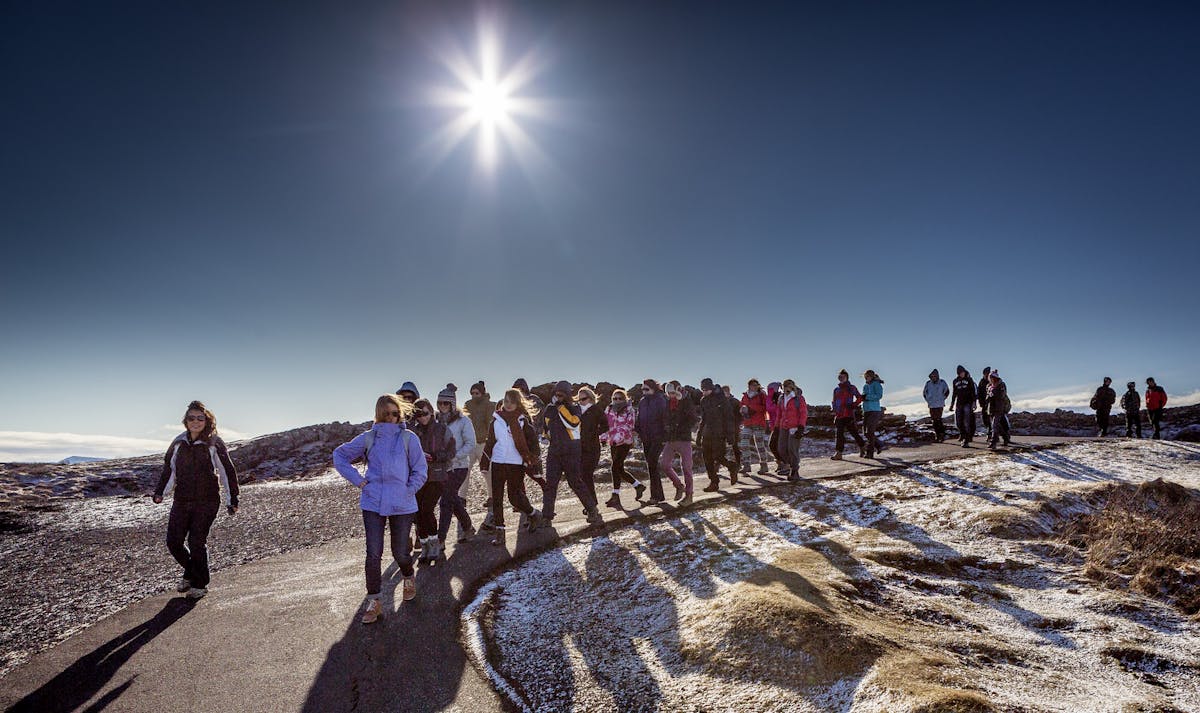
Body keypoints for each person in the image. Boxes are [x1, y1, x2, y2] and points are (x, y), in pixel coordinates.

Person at [333, 395, 427, 623]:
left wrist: (408, 490)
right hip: (373, 502)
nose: (391, 418)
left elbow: (420, 470)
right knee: (373, 553)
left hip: (402, 504)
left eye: (395, 413)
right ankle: (374, 601)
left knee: (400, 552)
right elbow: (340, 455)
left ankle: (408, 576)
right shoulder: (368, 438)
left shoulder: (409, 438)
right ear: (378, 414)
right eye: (386, 414)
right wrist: (359, 481)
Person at [152, 400, 239, 601]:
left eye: (200, 418)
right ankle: (192, 573)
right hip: (182, 499)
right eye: (191, 418)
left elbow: (227, 471)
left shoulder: (214, 442)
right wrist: (160, 492)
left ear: (207, 421)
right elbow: (169, 469)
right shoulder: (178, 442)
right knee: (173, 542)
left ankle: (200, 584)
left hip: (207, 500)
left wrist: (232, 498)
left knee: (196, 541)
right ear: (186, 421)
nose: (196, 422)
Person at [479, 389, 544, 546]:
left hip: (516, 464)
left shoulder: (523, 422)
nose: (508, 404)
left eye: (512, 402)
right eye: (506, 401)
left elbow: (534, 443)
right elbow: (490, 443)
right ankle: (500, 533)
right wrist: (485, 462)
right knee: (497, 499)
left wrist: (532, 460)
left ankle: (533, 514)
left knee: (514, 497)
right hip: (498, 463)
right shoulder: (496, 421)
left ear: (518, 403)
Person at [540, 380, 603, 526]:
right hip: (554, 451)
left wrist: (561, 408)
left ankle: (592, 509)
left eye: (561, 395)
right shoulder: (549, 409)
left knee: (575, 482)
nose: (558, 397)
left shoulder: (575, 408)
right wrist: (546, 437)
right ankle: (546, 516)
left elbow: (573, 423)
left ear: (568, 395)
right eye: (556, 394)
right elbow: (546, 427)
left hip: (571, 451)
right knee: (550, 484)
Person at [410, 399, 454, 564]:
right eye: (418, 414)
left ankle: (434, 544)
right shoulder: (413, 432)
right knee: (417, 512)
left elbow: (452, 451)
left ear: (431, 411)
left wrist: (435, 456)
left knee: (427, 509)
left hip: (437, 476)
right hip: (418, 476)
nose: (422, 417)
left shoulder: (442, 429)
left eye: (425, 413)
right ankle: (424, 545)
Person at [437, 384, 476, 547]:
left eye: (446, 403)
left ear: (452, 404)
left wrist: (454, 456)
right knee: (453, 499)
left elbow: (471, 443)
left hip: (459, 466)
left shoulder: (463, 420)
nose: (442, 406)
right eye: (440, 403)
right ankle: (468, 527)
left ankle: (440, 539)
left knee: (446, 501)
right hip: (441, 468)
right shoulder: (436, 421)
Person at [461, 381, 496, 533]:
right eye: (472, 393)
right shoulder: (467, 404)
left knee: (487, 471)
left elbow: (491, 423)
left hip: (483, 443)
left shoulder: (489, 405)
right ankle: (461, 497)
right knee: (464, 471)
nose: (474, 396)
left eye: (477, 393)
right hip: (470, 444)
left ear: (482, 393)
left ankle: (492, 496)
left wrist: (490, 441)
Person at [601, 389, 645, 508]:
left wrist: (618, 438)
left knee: (614, 467)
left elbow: (629, 426)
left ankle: (615, 496)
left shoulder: (629, 410)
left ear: (624, 399)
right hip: (613, 442)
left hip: (625, 442)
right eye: (615, 398)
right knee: (619, 469)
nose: (617, 400)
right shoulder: (609, 409)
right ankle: (638, 486)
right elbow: (605, 425)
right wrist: (603, 438)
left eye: (620, 398)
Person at [661, 382, 698, 505]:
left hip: (684, 439)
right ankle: (679, 486)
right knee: (664, 465)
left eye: (672, 393)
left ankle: (689, 495)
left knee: (686, 467)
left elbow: (693, 419)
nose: (671, 395)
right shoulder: (667, 403)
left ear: (678, 390)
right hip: (671, 439)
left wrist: (681, 426)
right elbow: (665, 418)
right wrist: (666, 428)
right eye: (668, 393)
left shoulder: (686, 401)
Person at [698, 378, 738, 491]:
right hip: (707, 433)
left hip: (719, 434)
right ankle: (714, 482)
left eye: (706, 390)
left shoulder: (721, 399)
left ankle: (732, 466)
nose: (704, 392)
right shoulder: (703, 400)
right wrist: (699, 434)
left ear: (711, 388)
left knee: (718, 456)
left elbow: (729, 417)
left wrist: (730, 435)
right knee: (707, 459)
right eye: (702, 390)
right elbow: (703, 419)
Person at [634, 379, 669, 503]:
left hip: (657, 437)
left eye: (646, 389)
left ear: (653, 388)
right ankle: (659, 495)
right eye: (642, 389)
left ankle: (655, 496)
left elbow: (665, 418)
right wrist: (636, 429)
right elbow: (639, 417)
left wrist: (664, 437)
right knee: (651, 465)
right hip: (646, 438)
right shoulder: (642, 401)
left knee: (652, 463)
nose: (644, 391)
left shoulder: (660, 400)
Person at [577, 387, 609, 500]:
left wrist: (594, 433)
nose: (581, 402)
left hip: (592, 447)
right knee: (582, 475)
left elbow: (605, 425)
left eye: (583, 399)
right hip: (579, 447)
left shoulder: (596, 410)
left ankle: (592, 501)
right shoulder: (577, 411)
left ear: (590, 398)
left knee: (587, 474)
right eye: (579, 399)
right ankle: (591, 501)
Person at [776, 379, 807, 482]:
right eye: (784, 387)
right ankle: (790, 465)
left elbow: (803, 413)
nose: (786, 389)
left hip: (795, 427)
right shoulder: (781, 398)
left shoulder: (798, 398)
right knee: (781, 449)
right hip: (783, 426)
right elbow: (779, 413)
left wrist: (801, 427)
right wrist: (776, 427)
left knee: (792, 449)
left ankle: (794, 470)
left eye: (788, 386)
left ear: (793, 387)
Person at [830, 370, 866, 461]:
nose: (841, 378)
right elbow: (834, 401)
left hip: (848, 414)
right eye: (839, 377)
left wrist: (853, 405)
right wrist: (834, 409)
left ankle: (862, 446)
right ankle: (839, 453)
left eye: (843, 377)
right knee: (839, 434)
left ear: (847, 378)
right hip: (839, 415)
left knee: (853, 432)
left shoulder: (851, 388)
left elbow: (859, 397)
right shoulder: (836, 390)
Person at [739, 379, 772, 475]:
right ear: (749, 386)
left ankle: (764, 464)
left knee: (759, 444)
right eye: (752, 385)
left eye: (756, 384)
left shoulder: (762, 395)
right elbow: (741, 405)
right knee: (744, 443)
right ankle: (746, 465)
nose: (754, 386)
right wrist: (742, 409)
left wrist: (751, 408)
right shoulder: (745, 396)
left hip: (759, 422)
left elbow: (765, 407)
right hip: (747, 422)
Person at [950, 366, 977, 447]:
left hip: (968, 403)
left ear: (964, 372)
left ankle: (966, 439)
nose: (961, 374)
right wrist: (952, 404)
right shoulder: (955, 381)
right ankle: (962, 434)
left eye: (962, 372)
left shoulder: (969, 380)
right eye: (959, 373)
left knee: (967, 422)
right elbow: (954, 393)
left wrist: (974, 403)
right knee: (958, 422)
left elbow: (973, 392)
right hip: (959, 403)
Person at [861, 370, 885, 458]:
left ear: (872, 376)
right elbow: (864, 397)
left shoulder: (876, 384)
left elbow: (879, 396)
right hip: (866, 411)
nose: (866, 378)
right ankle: (879, 445)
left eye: (868, 376)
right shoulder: (865, 386)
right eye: (865, 376)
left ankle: (870, 453)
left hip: (874, 410)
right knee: (865, 433)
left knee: (870, 431)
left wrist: (867, 397)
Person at [923, 369, 950, 443]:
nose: (933, 377)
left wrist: (942, 398)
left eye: (934, 376)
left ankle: (941, 435)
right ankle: (937, 435)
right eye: (932, 376)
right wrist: (928, 400)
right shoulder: (928, 383)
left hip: (939, 404)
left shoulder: (942, 382)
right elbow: (924, 393)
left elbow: (947, 391)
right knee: (934, 421)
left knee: (938, 419)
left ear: (937, 376)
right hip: (931, 405)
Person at [987, 371, 1012, 449]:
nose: (990, 379)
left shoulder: (1001, 385)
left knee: (994, 425)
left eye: (991, 377)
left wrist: (993, 393)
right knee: (998, 426)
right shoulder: (989, 386)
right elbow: (988, 397)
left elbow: (1001, 396)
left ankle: (993, 442)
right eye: (990, 377)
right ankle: (1005, 438)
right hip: (991, 408)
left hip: (999, 408)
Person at [977, 366, 993, 439]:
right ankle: (989, 430)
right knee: (985, 418)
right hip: (984, 404)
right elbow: (979, 393)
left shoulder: (993, 380)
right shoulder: (981, 382)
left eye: (988, 373)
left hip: (993, 403)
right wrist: (981, 402)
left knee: (995, 419)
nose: (986, 375)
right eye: (985, 374)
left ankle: (994, 434)